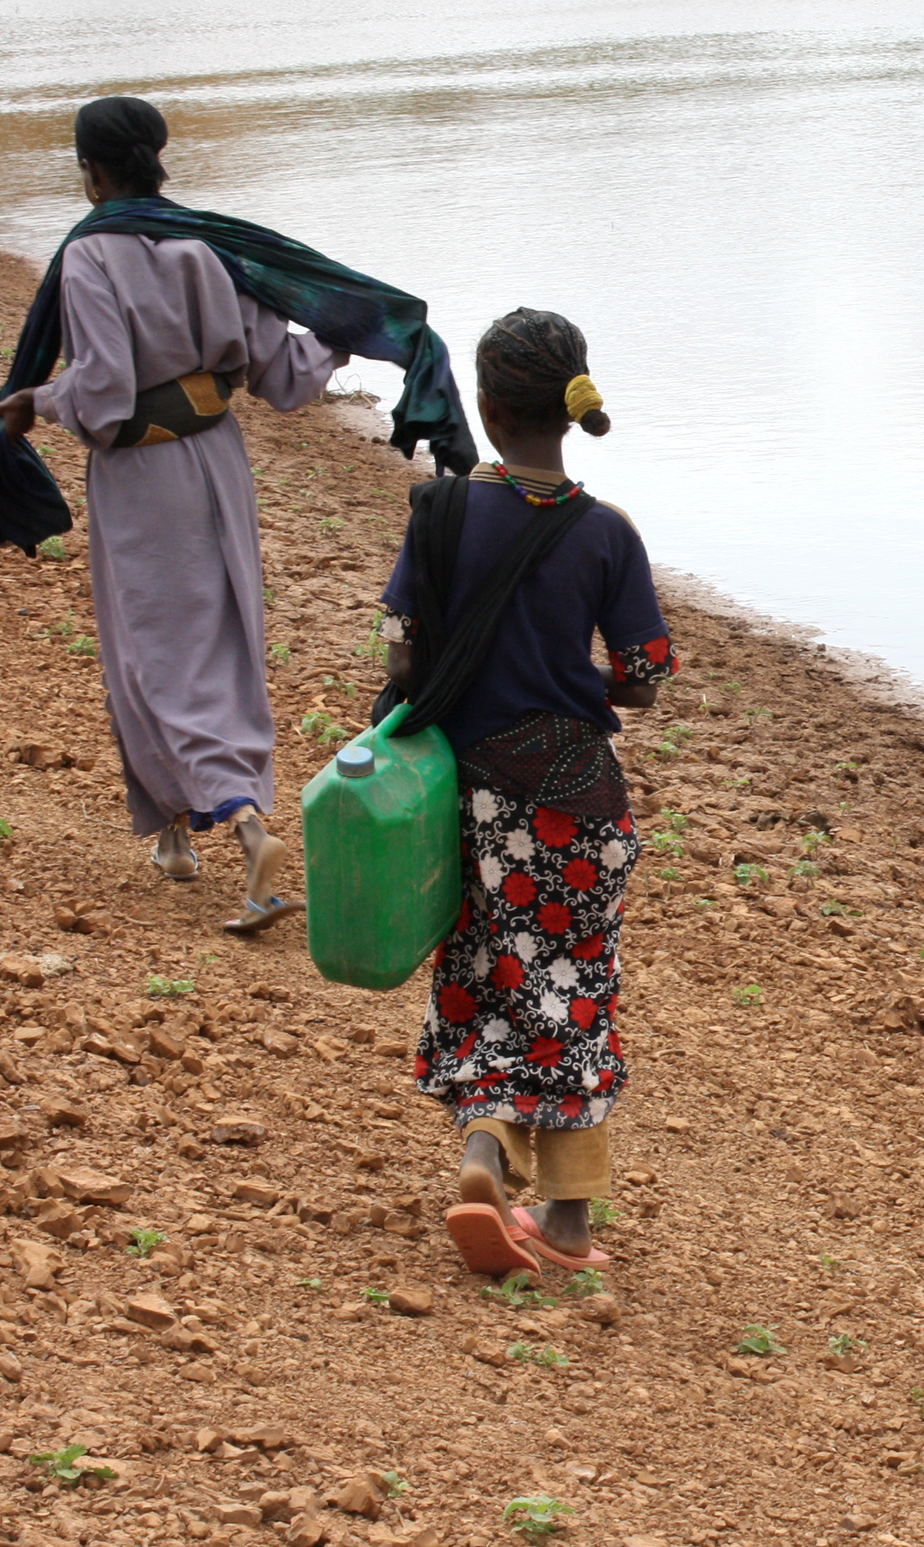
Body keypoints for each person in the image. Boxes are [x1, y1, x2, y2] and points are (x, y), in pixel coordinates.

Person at [0, 96, 475, 934]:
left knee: (152, 651)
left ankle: (243, 826)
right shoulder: (208, 247)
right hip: (216, 462)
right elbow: (287, 376)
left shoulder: (90, 258)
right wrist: (345, 325)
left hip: (140, 476)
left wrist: (36, 399)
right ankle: (172, 834)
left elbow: (103, 393)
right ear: (155, 160)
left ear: (91, 170)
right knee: (222, 641)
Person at [378, 308, 675, 1275]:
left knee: (480, 979)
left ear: (490, 408)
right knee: (575, 991)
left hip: (472, 801)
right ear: (567, 407)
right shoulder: (606, 534)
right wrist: (569, 681)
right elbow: (643, 674)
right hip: (580, 801)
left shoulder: (443, 513)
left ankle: (485, 1152)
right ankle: (570, 1223)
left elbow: (403, 654)